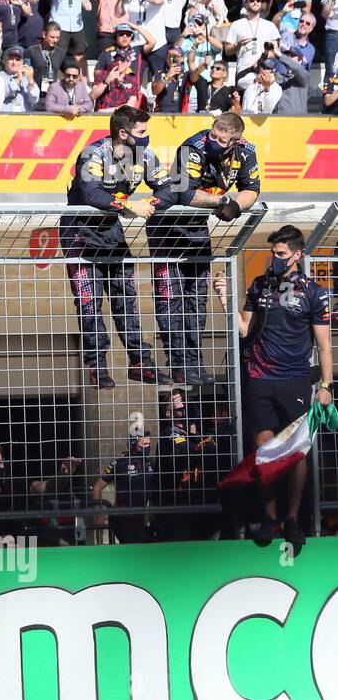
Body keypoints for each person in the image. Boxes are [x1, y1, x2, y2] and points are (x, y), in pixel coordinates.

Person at [215, 226, 332, 557]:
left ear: (297, 254)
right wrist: (225, 298)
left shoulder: (314, 292)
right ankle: (270, 519)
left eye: (281, 254)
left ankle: (293, 518)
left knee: (296, 452)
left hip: (295, 380)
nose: (276, 259)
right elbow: (243, 329)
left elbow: (323, 345)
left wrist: (326, 385)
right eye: (273, 254)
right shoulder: (259, 285)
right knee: (264, 447)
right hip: (259, 379)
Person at [62, 106, 170, 389]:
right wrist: (129, 206)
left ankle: (139, 362)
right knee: (89, 304)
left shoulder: (145, 154)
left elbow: (168, 187)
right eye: (141, 132)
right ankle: (97, 366)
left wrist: (154, 203)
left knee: (127, 296)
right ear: (123, 133)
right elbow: (91, 193)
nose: (147, 137)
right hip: (79, 232)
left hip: (111, 230)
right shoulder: (93, 154)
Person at [147, 113, 260, 384]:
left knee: (196, 299)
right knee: (171, 300)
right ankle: (177, 364)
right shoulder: (193, 147)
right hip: (166, 226)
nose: (214, 142)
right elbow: (186, 195)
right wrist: (222, 200)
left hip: (196, 227)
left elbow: (252, 188)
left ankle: (195, 363)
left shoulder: (245, 152)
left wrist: (235, 205)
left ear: (235, 141)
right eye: (213, 135)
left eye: (222, 141)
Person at [91, 432, 157, 544]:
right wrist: (98, 511)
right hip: (124, 518)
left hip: (143, 517)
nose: (147, 447)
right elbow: (97, 488)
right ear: (133, 444)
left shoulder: (151, 462)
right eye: (143, 445)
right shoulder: (119, 463)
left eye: (148, 444)